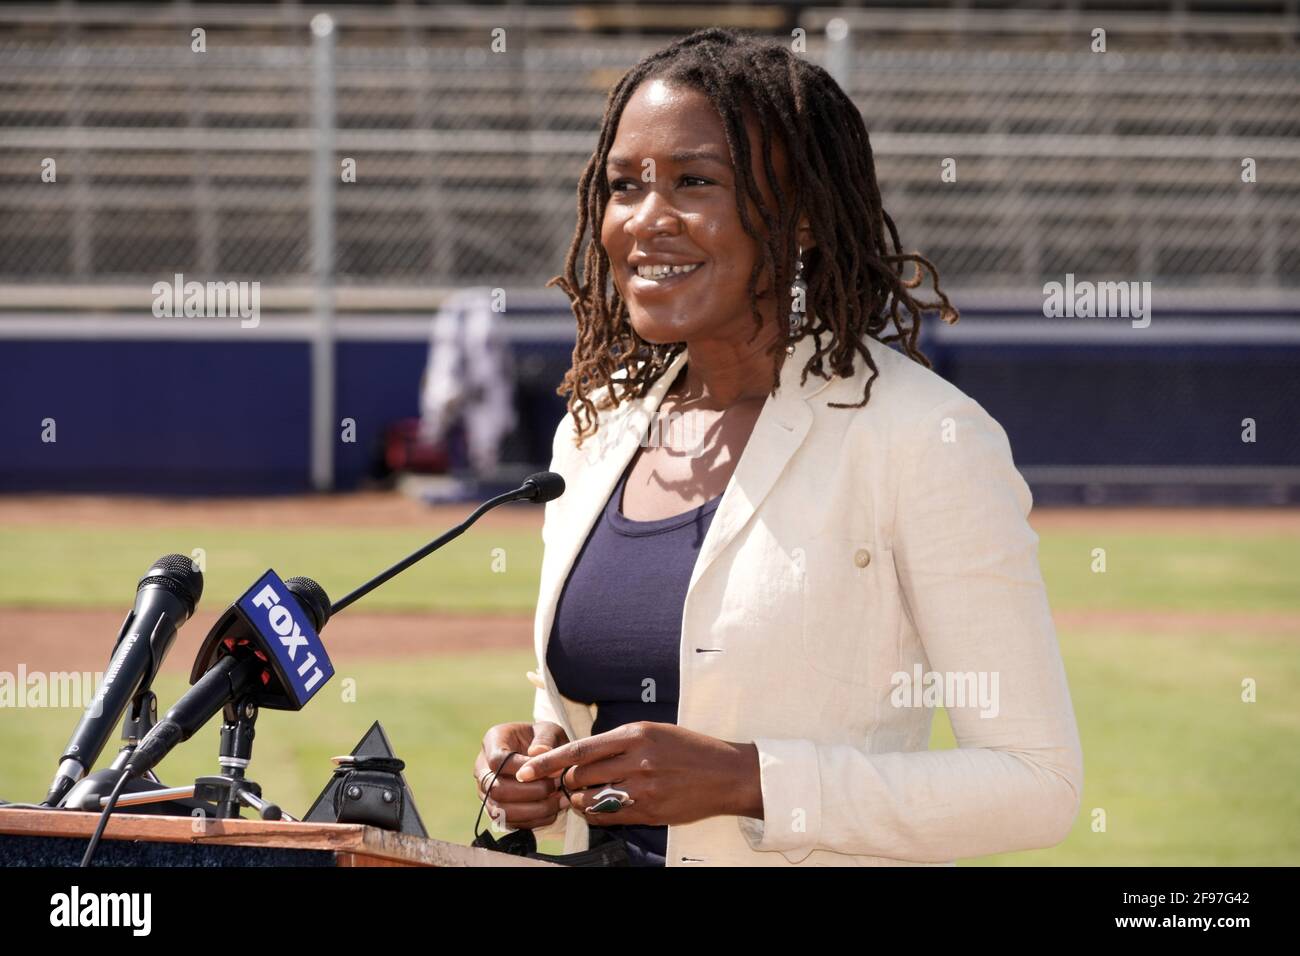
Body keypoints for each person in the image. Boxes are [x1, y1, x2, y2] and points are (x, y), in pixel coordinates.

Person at [472, 28, 1082, 867]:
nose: (647, 220)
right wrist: (536, 761)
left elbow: (1035, 785)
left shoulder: (923, 440)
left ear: (798, 220)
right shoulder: (595, 428)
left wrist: (752, 781)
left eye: (694, 182)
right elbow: (580, 699)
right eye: (624, 186)